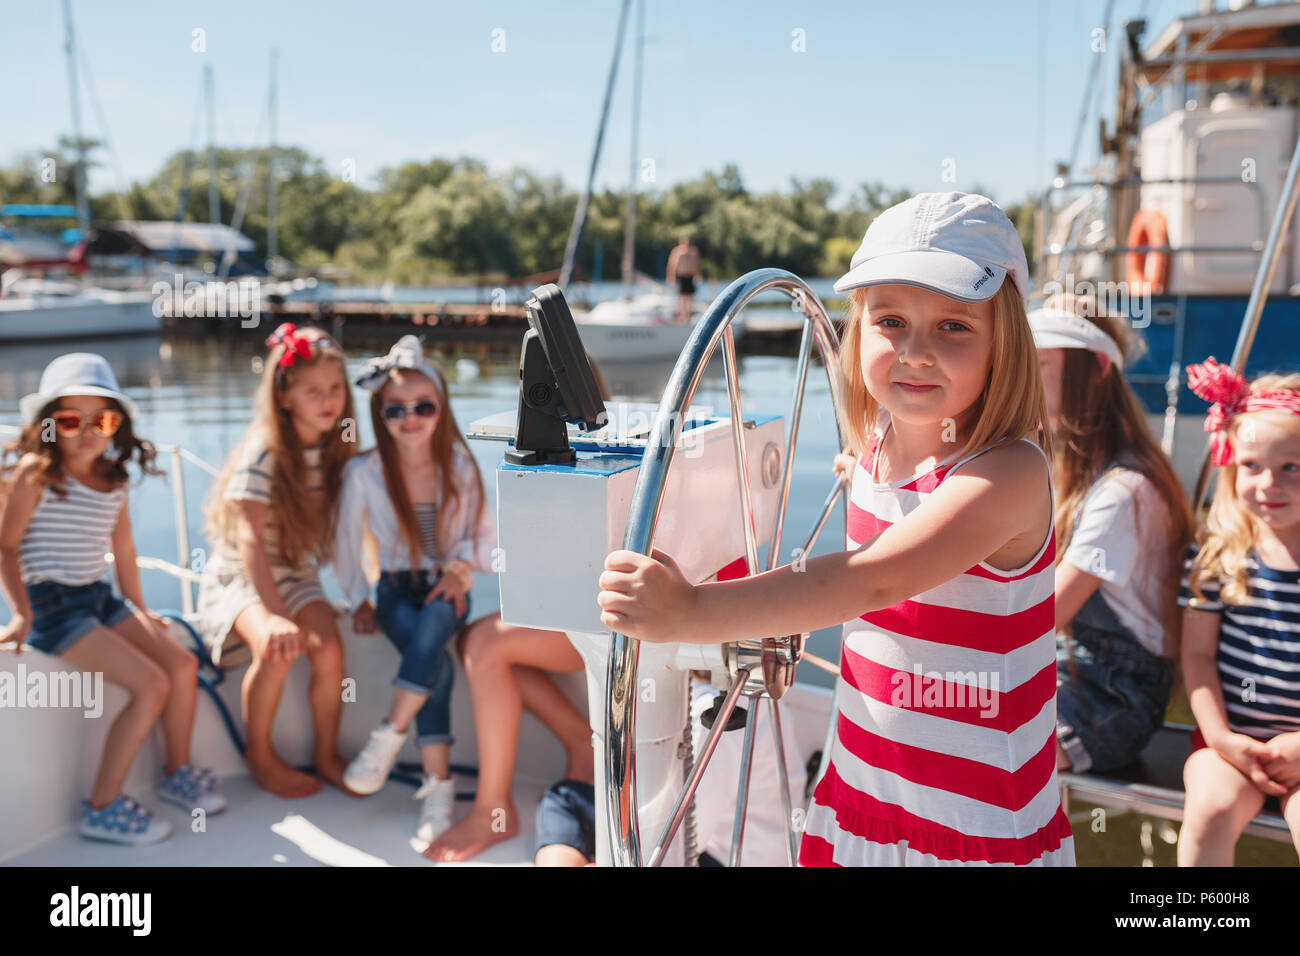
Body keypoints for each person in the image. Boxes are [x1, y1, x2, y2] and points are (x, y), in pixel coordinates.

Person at [598, 191, 1075, 866]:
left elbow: (872, 579)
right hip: (863, 792)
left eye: (954, 328)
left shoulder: (1007, 475)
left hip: (969, 823)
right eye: (890, 322)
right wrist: (857, 478)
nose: (915, 353)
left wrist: (692, 611)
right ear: (858, 331)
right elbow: (890, 541)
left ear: (1007, 342)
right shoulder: (881, 441)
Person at [0, 353, 225, 844]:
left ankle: (177, 771)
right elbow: (7, 546)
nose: (87, 431)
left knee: (182, 666)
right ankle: (101, 805)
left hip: (98, 598)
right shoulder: (35, 477)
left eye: (100, 420)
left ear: (116, 424)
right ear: (49, 426)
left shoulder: (114, 482)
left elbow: (123, 550)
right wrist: (21, 613)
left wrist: (140, 609)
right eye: (69, 420)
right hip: (53, 607)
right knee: (151, 685)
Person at [334, 336, 495, 845]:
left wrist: (459, 569)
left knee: (436, 623)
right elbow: (343, 542)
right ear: (379, 414)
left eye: (424, 407)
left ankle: (388, 734)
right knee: (437, 667)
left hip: (449, 585)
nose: (410, 418)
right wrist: (357, 597)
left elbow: (480, 538)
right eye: (395, 410)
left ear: (441, 409)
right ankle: (438, 785)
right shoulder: (364, 472)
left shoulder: (461, 467)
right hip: (396, 591)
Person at [1029, 301, 1194, 774]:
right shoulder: (1068, 469)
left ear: (1097, 367)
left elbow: (1047, 614)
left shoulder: (1124, 491)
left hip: (1111, 697)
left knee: (965, 734)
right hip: (1068, 667)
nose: (1023, 383)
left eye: (1039, 365)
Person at [196, 323, 356, 798]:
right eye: (313, 391)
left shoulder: (335, 450)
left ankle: (326, 754)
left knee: (329, 647)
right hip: (242, 576)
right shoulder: (264, 451)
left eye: (334, 389)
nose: (328, 401)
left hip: (294, 571)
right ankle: (260, 756)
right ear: (284, 396)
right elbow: (246, 537)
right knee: (276, 646)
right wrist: (273, 615)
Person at [1176, 359, 1300, 865]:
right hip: (1231, 742)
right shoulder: (1216, 555)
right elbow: (1198, 658)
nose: (1269, 483)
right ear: (1231, 466)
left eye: (1292, 467)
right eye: (1252, 466)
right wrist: (1224, 739)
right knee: (1209, 813)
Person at [424, 613, 592, 862]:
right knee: (470, 641)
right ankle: (583, 745)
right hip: (588, 608)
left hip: (621, 622)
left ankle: (494, 813)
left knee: (483, 645)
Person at [666, 235, 700, 324]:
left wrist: (698, 275)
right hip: (681, 276)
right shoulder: (677, 251)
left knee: (688, 296)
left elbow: (696, 264)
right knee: (681, 296)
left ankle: (687, 314)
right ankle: (681, 315)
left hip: (689, 276)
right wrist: (671, 275)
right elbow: (672, 264)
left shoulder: (693, 252)